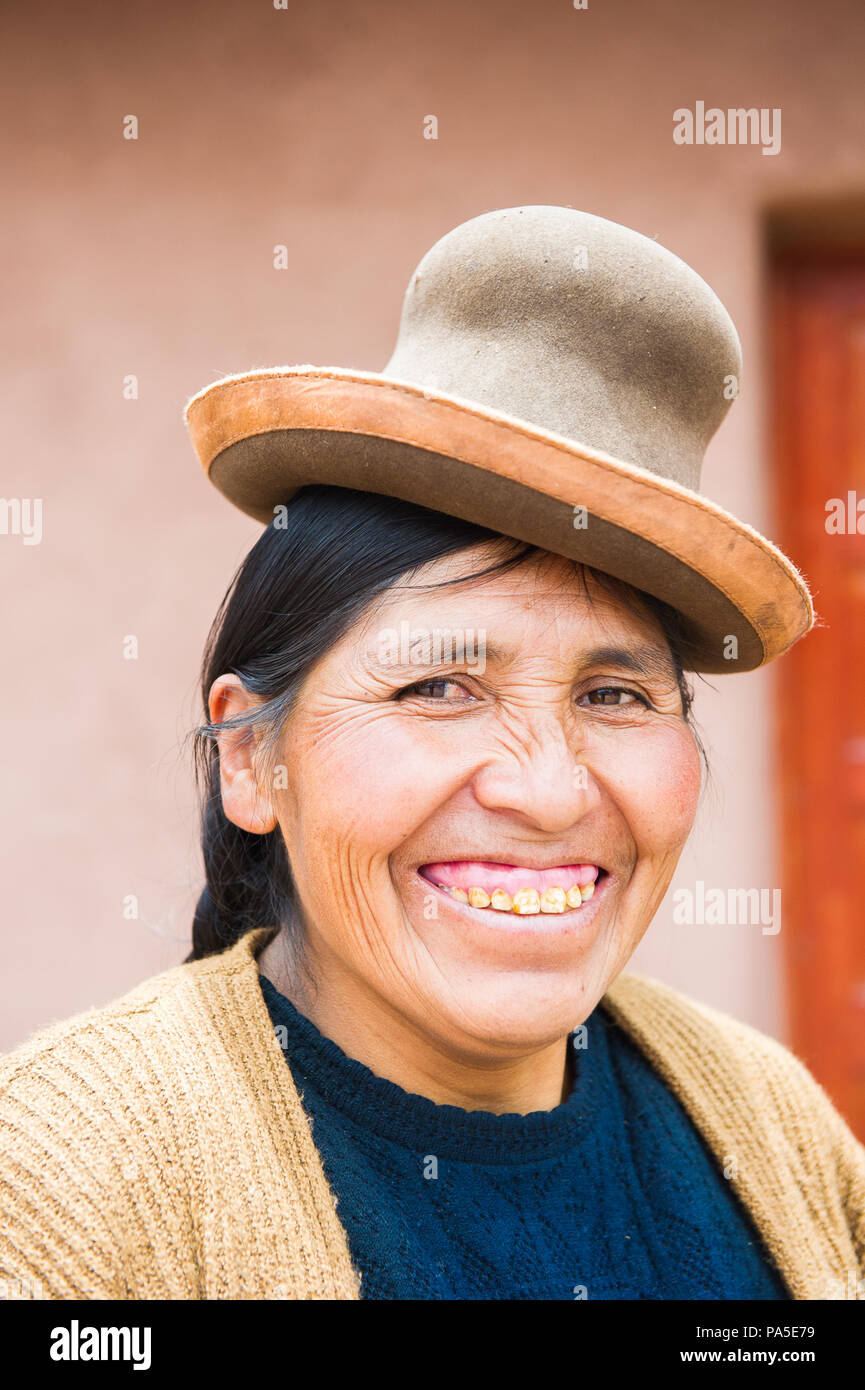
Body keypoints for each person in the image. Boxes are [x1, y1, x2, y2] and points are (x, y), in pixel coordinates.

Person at [2, 206, 862, 1301]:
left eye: (614, 693)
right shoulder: (64, 1187)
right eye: (438, 687)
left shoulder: (765, 1121)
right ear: (252, 758)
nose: (548, 789)